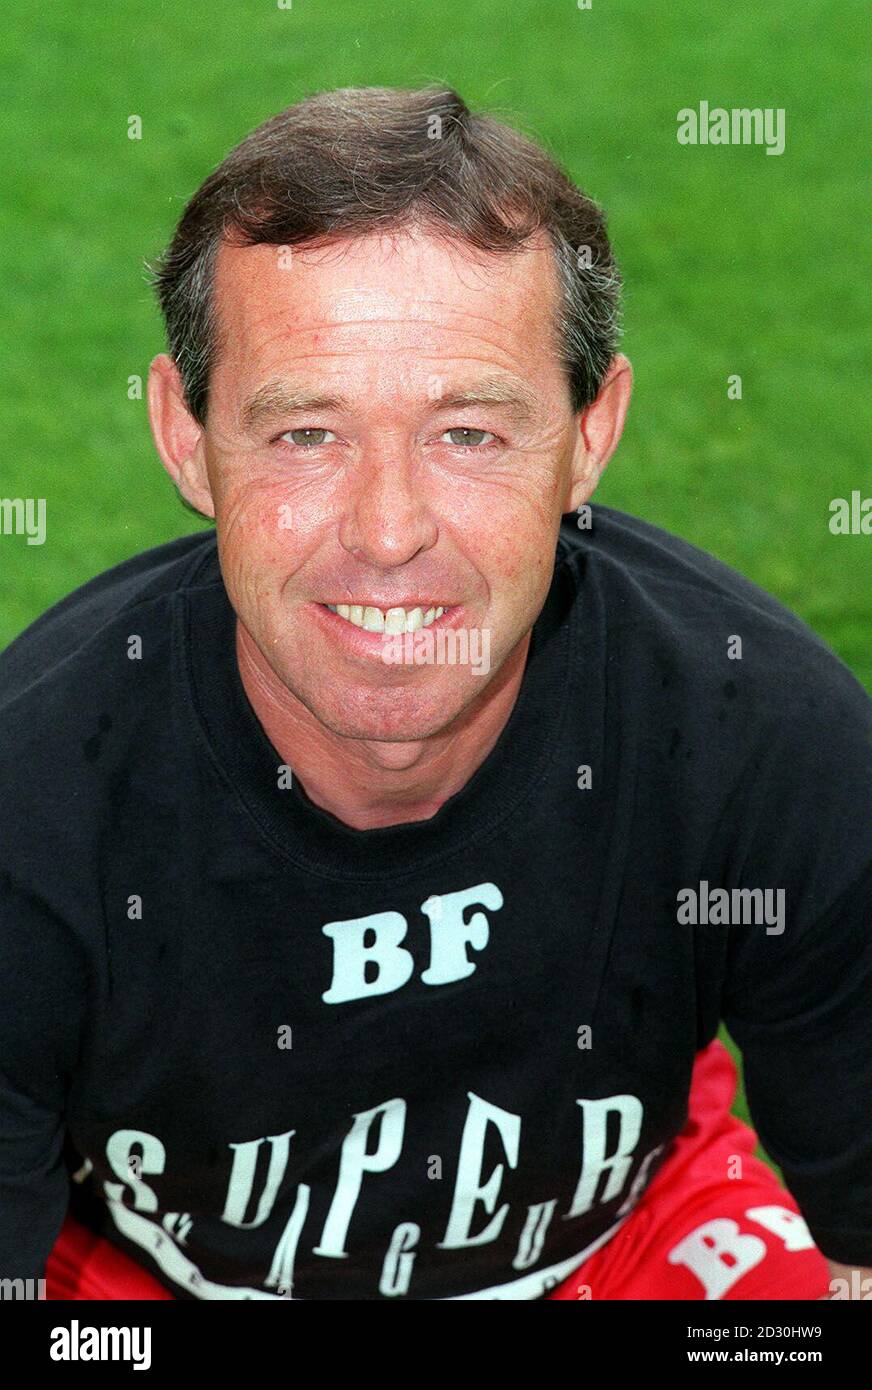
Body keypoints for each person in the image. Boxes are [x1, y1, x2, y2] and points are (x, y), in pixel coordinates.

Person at [1, 85, 870, 1302]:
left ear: (588, 433)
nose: (390, 530)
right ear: (186, 436)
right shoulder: (33, 796)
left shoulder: (766, 737)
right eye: (307, 433)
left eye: (467, 431)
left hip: (615, 1243)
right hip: (149, 1282)